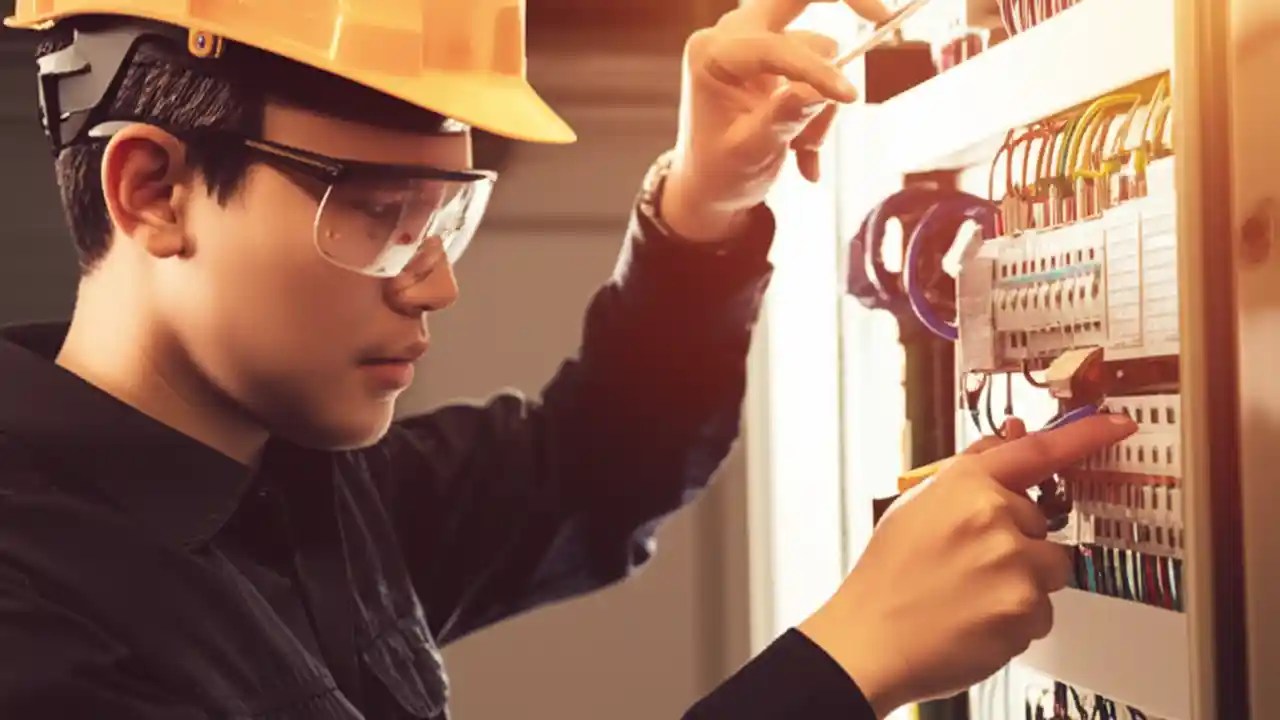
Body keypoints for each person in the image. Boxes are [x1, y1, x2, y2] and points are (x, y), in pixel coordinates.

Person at [0, 0, 1137, 718]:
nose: (436, 279)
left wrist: (705, 201)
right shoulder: (34, 619)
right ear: (151, 190)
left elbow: (595, 467)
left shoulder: (292, 482)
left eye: (447, 216)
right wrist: (840, 669)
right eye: (381, 211)